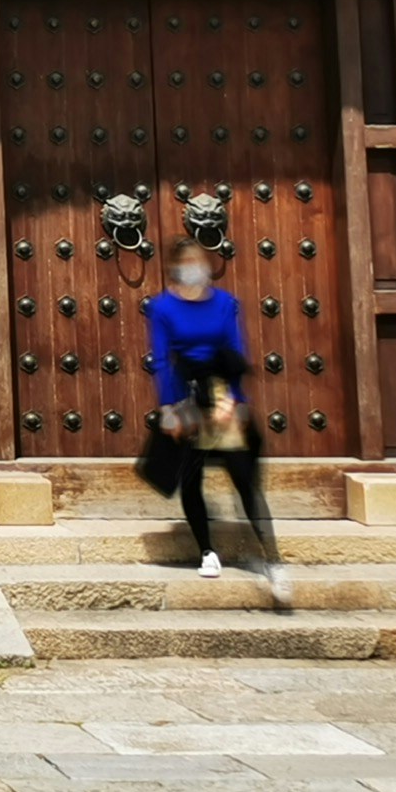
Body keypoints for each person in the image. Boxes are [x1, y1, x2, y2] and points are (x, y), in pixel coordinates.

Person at [144, 245, 292, 606]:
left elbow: (235, 349)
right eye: (187, 263)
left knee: (245, 481)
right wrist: (170, 408)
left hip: (225, 394)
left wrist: (234, 401)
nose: (194, 268)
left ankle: (272, 560)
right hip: (189, 395)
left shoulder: (225, 303)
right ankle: (207, 551)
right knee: (191, 478)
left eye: (198, 262)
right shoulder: (162, 307)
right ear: (175, 269)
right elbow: (163, 359)